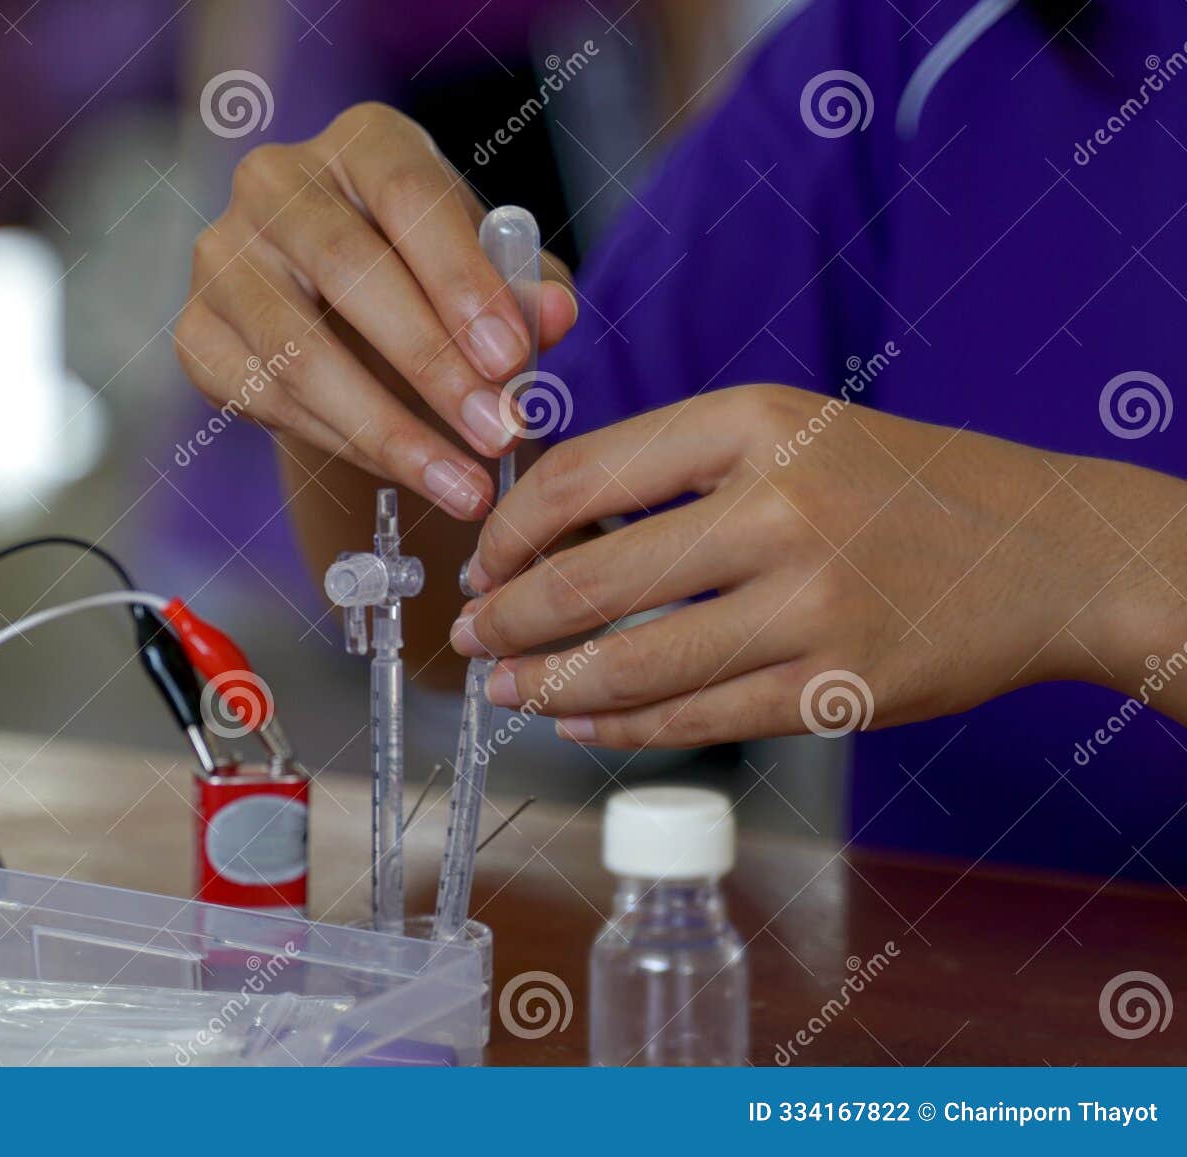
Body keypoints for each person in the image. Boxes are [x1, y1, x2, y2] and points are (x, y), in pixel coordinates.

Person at [172, 0, 1187, 882]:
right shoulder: (916, 43)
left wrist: (1091, 564)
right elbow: (485, 597)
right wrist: (376, 351)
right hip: (947, 1027)